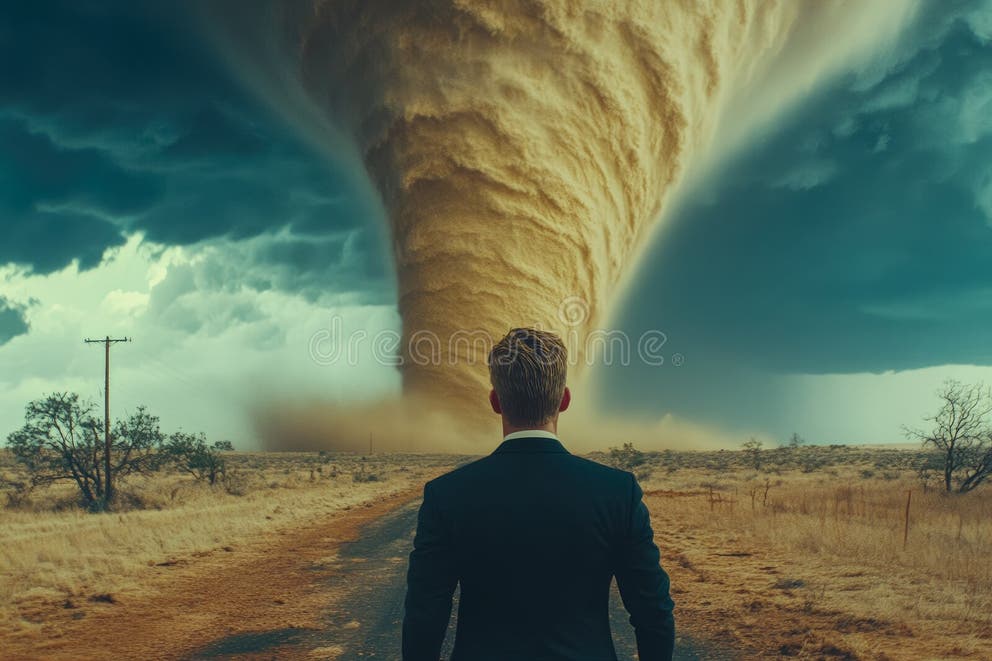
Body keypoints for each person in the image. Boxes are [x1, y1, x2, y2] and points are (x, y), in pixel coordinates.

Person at [402, 327, 675, 660]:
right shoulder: (618, 493)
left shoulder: (446, 495)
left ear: (495, 402)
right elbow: (654, 613)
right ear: (565, 399)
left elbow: (424, 616)